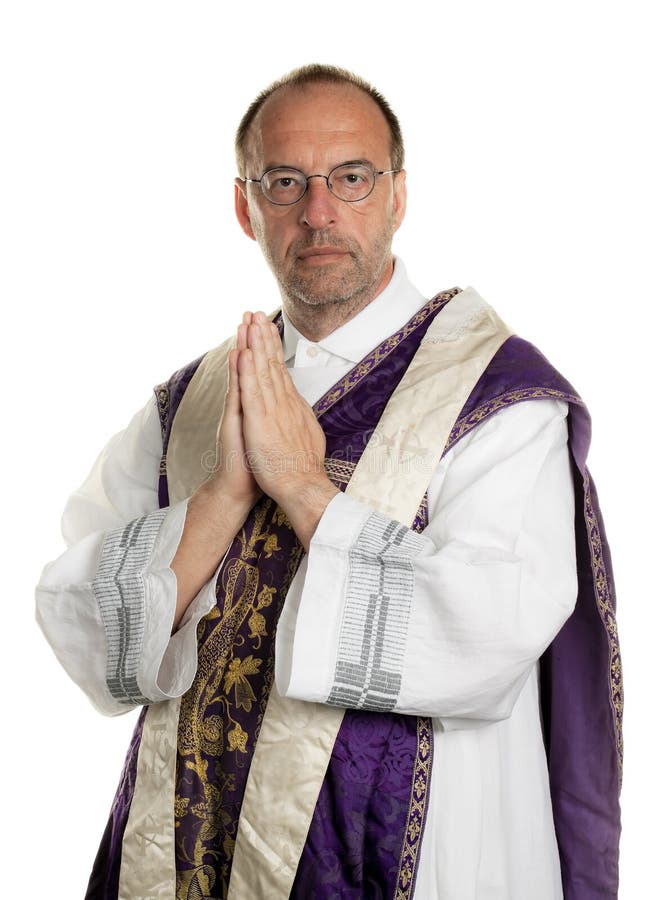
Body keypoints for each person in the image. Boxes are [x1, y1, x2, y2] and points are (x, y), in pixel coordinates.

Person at [36, 64, 622, 900]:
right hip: (185, 851)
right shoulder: (195, 400)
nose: (319, 212)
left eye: (350, 178)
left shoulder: (495, 397)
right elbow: (81, 630)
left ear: (396, 195)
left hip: (417, 851)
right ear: (244, 205)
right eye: (285, 182)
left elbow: (493, 628)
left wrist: (305, 490)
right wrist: (219, 503)